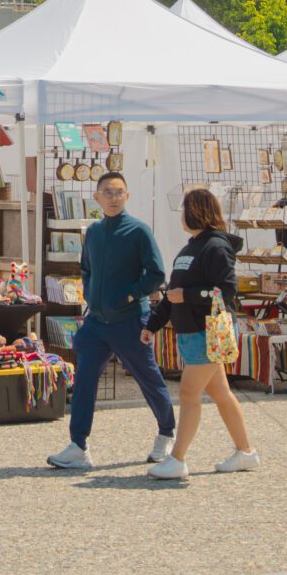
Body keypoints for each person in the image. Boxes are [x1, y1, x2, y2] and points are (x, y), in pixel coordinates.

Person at [47, 171, 175, 471]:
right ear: (97, 197)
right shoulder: (92, 232)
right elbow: (86, 269)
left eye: (119, 192)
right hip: (97, 324)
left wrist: (131, 296)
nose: (114, 198)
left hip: (130, 320)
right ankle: (78, 445)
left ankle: (167, 433)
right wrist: (91, 296)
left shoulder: (139, 231)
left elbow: (157, 274)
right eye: (108, 192)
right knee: (84, 382)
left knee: (149, 378)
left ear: (127, 196)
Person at [146, 187, 258, 479]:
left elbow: (227, 291)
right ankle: (245, 452)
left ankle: (178, 458)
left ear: (196, 210)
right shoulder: (189, 248)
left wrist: (191, 295)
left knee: (189, 391)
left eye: (184, 207)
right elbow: (173, 294)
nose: (181, 214)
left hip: (209, 331)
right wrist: (153, 325)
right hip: (193, 331)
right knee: (220, 393)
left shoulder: (216, 248)